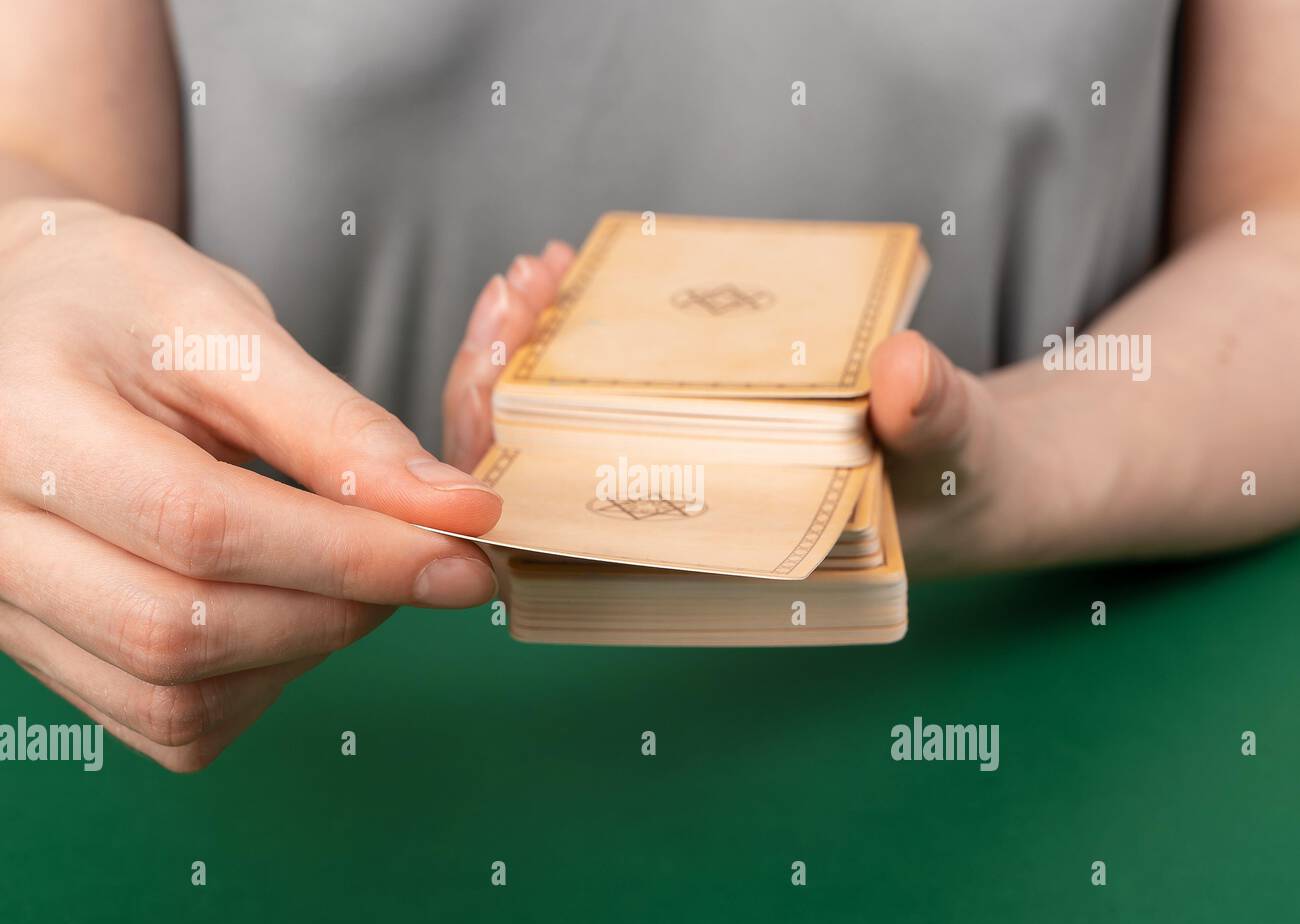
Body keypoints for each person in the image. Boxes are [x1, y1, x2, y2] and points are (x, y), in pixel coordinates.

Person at [0, 0, 1296, 770]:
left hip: (1057, 704)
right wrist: (20, 265)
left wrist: (1026, 458)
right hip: (286, 746)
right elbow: (33, 153)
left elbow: (1281, 204)